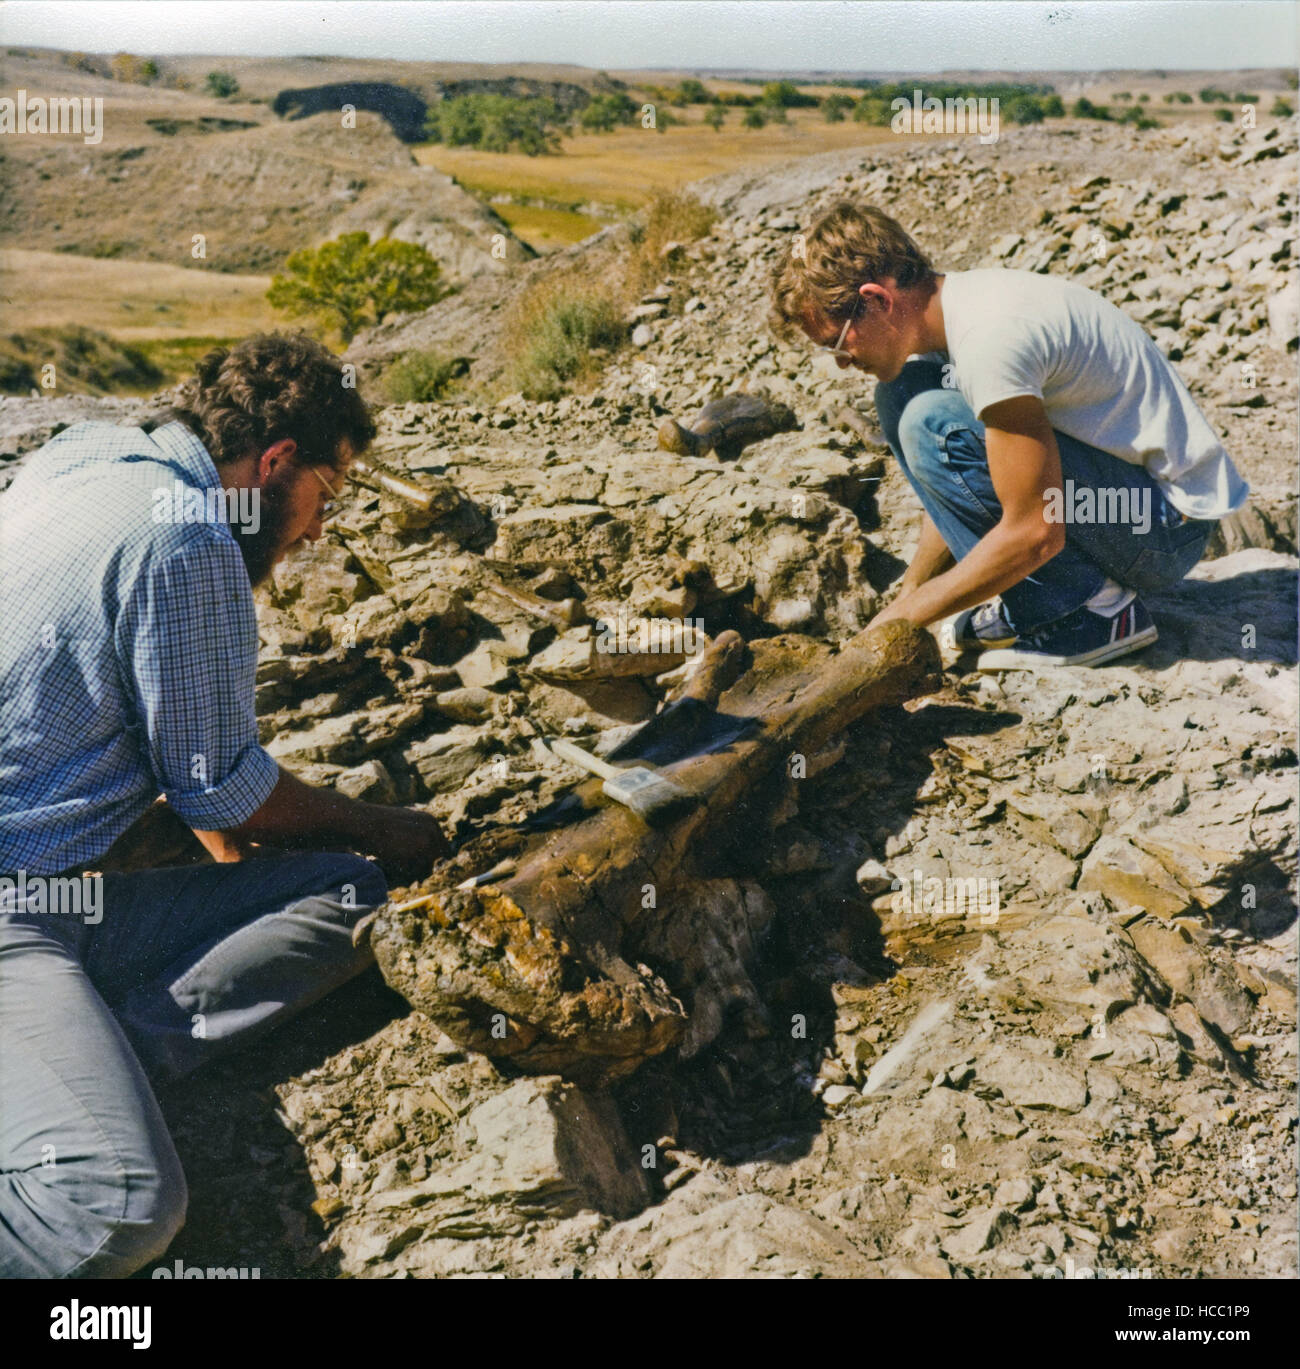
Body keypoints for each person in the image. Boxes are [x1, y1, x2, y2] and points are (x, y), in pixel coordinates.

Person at [0, 332, 450, 1278]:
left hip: (57, 897)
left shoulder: (84, 451)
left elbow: (187, 768)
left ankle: (73, 1061)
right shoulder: (191, 535)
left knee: (347, 894)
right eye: (324, 494)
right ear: (276, 462)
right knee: (114, 1206)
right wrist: (391, 828)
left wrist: (239, 841)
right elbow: (224, 787)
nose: (318, 529)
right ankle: (60, 1095)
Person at [769, 203, 1248, 668]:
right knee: (904, 397)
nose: (841, 361)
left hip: (1163, 529)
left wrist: (893, 627)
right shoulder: (950, 316)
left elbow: (1035, 530)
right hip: (1132, 501)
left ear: (876, 300)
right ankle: (1043, 597)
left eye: (837, 341)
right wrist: (911, 594)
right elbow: (967, 474)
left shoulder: (990, 340)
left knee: (929, 420)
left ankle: (1095, 611)